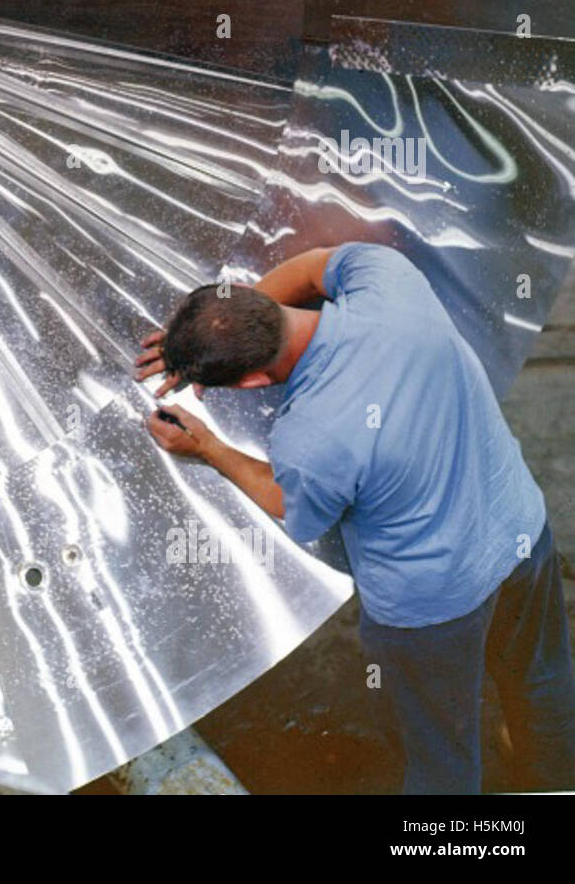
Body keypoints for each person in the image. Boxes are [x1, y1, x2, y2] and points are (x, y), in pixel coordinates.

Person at [135, 242, 575, 793]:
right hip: (519, 535)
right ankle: (555, 782)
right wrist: (218, 333)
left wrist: (207, 447)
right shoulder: (390, 281)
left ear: (247, 383)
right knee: (542, 680)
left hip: (431, 607)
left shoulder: (312, 436)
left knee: (440, 749)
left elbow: (295, 508)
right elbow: (315, 265)